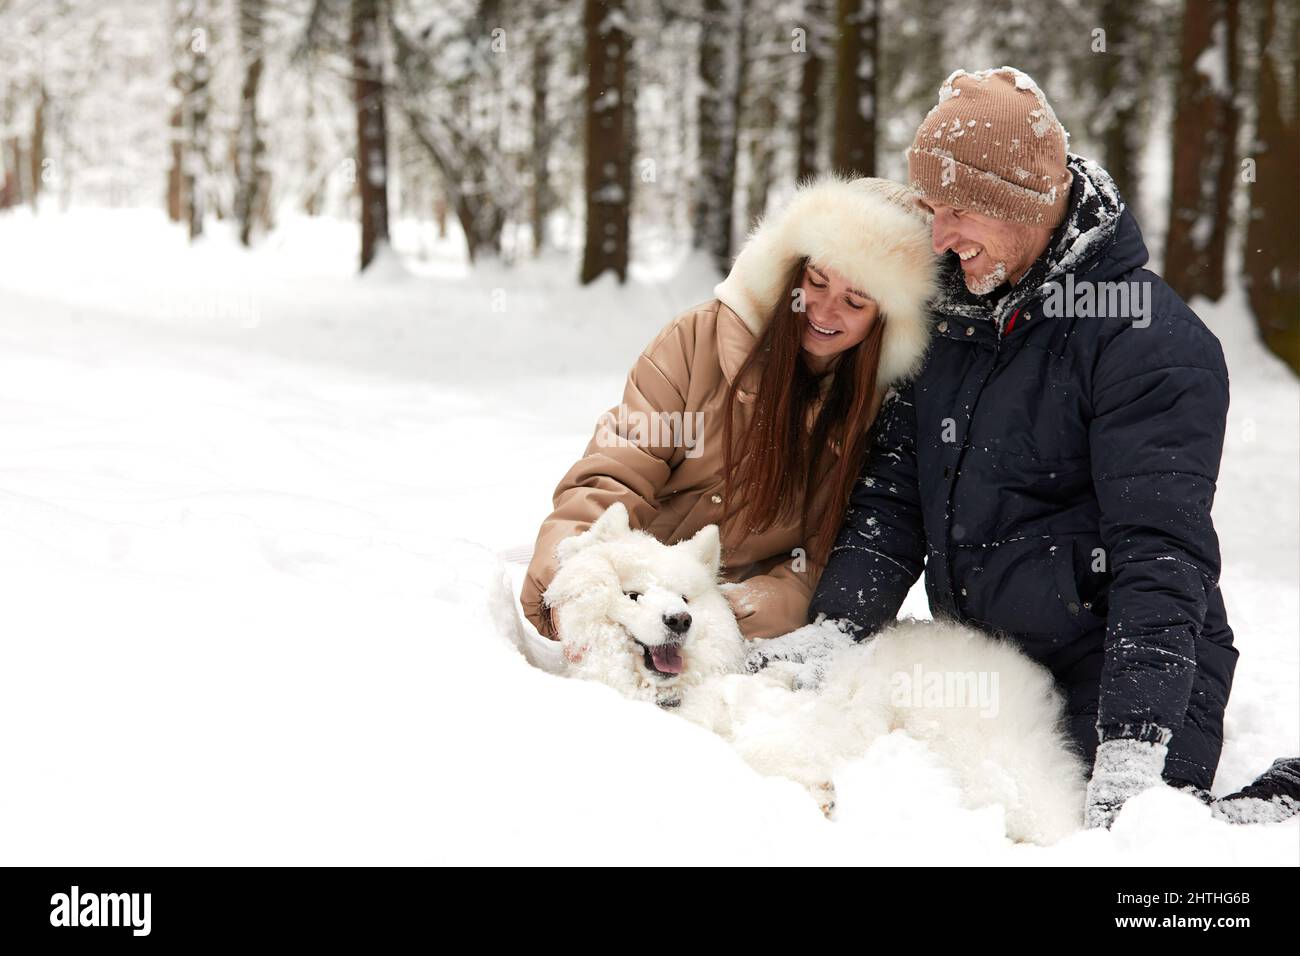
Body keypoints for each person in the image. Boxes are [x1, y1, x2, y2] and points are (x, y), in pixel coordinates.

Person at [752, 66, 1295, 828]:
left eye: (962, 211)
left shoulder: (1148, 342)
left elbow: (1160, 558)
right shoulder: (949, 309)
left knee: (1087, 832)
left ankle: (1270, 812)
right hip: (989, 662)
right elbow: (895, 494)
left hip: (1120, 669)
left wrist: (1132, 746)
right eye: (932, 210)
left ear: (1027, 205)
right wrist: (837, 632)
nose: (939, 236)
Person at [520, 175, 936, 643]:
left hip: (734, 626)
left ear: (886, 323)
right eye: (816, 281)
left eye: (854, 302)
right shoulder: (695, 342)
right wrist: (574, 571)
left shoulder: (878, 410)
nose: (821, 311)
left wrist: (726, 617)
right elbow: (616, 471)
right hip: (634, 590)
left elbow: (822, 561)